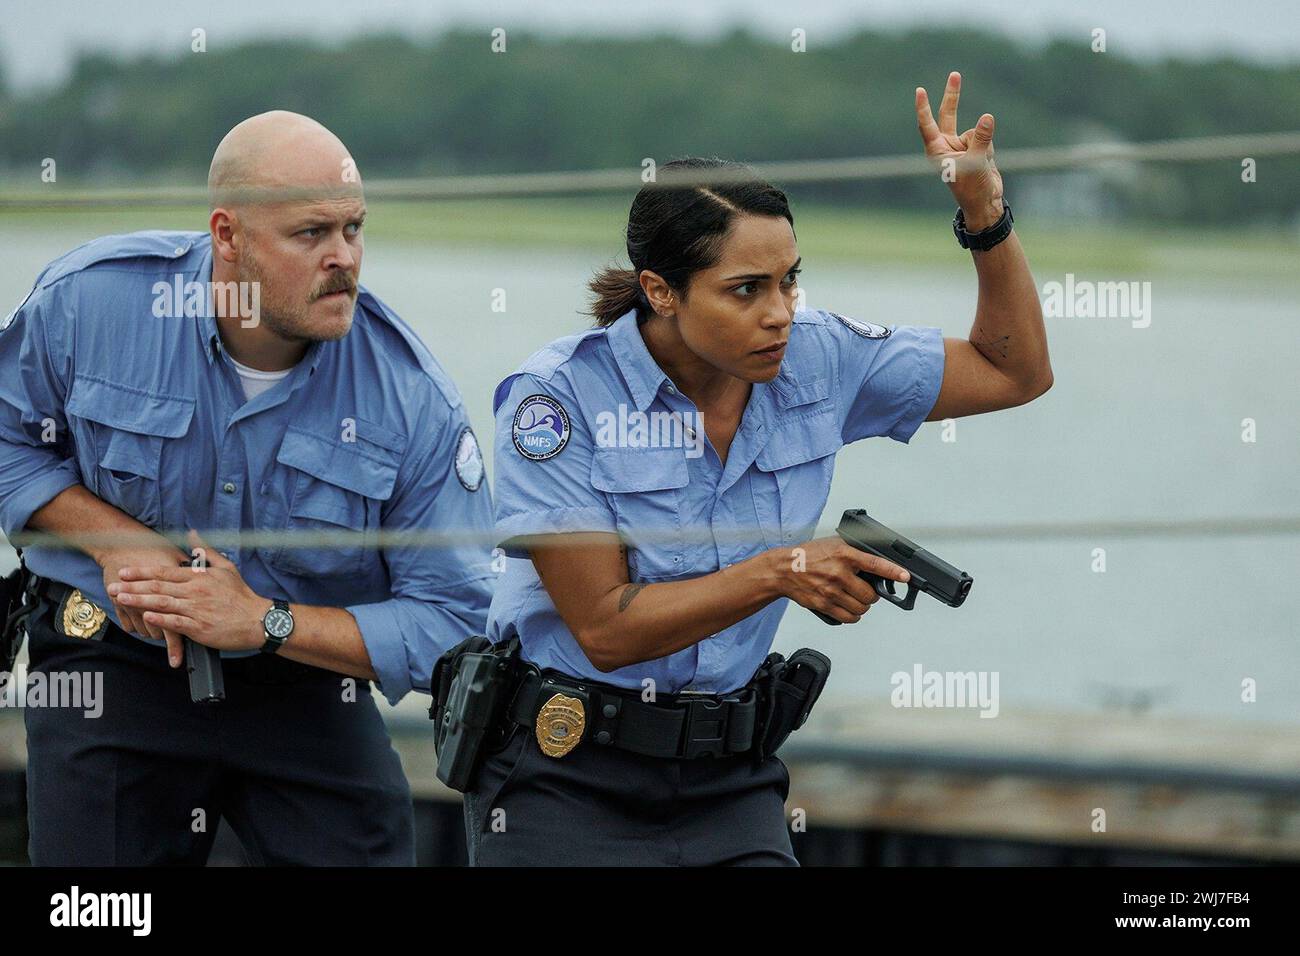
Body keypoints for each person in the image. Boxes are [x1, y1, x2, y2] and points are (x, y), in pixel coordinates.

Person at [464, 73, 1052, 865]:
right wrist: (781, 572)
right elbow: (604, 629)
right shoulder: (556, 401)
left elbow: (1013, 371)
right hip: (563, 775)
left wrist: (983, 214)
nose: (780, 312)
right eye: (745, 290)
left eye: (789, 280)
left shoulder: (819, 357)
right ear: (659, 291)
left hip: (728, 780)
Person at [0, 111, 494, 865]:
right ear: (227, 235)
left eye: (354, 229)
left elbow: (454, 619)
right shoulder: (91, 306)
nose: (344, 259)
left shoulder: (410, 398)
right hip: (109, 657)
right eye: (311, 234)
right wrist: (112, 540)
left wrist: (264, 621)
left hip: (303, 676)